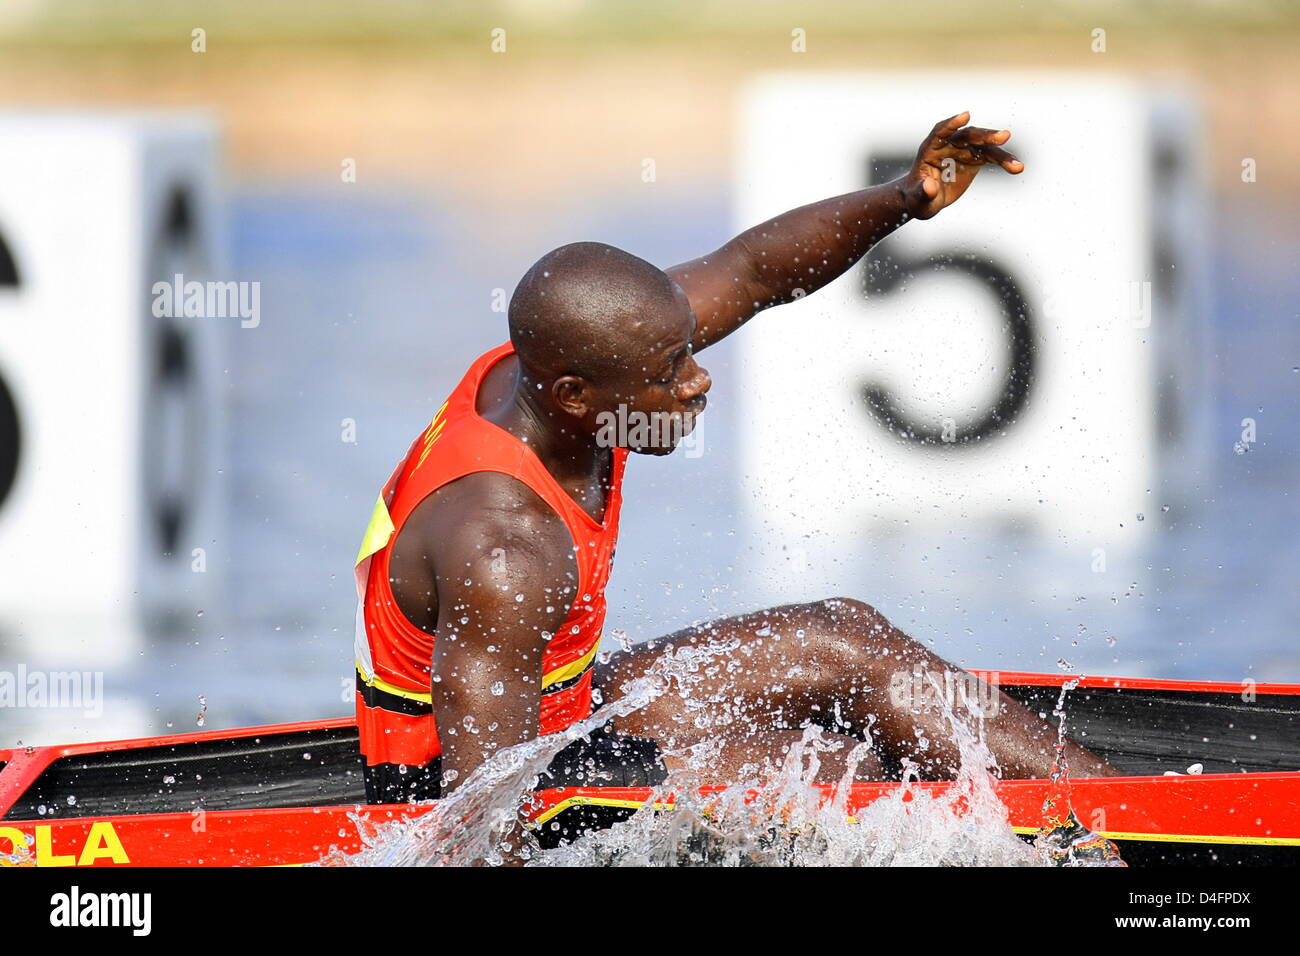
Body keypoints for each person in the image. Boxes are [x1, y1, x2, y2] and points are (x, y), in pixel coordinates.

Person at [352, 112, 1119, 818]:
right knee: (838, 768)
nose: (697, 379)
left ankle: (1125, 810)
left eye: (686, 350)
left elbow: (753, 271)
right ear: (578, 396)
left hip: (562, 710)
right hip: (471, 787)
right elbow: (478, 825)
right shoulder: (505, 552)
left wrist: (906, 197)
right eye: (669, 372)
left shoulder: (570, 369)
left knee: (845, 635)